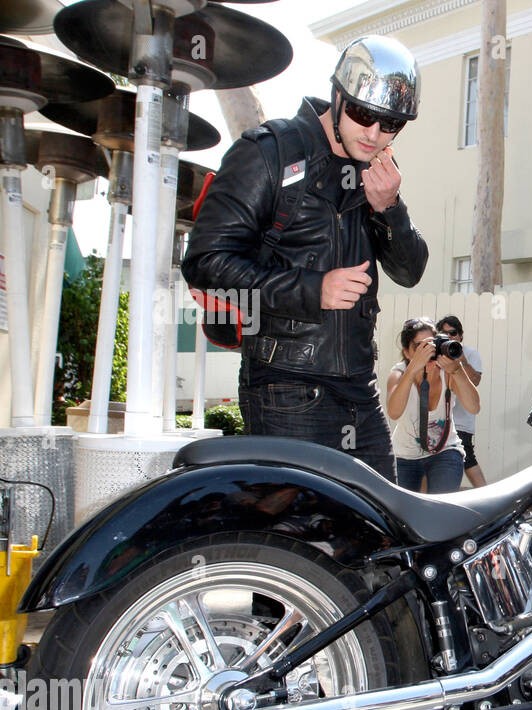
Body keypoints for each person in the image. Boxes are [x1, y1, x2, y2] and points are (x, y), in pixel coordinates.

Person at [182, 36, 429, 481]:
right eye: (363, 114)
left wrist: (390, 208)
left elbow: (410, 271)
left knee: (381, 532)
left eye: (390, 123)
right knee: (298, 537)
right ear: (337, 96)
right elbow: (205, 263)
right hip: (286, 385)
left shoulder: (374, 171)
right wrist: (313, 290)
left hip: (359, 388)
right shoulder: (269, 151)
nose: (374, 134)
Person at [387, 318, 479, 493]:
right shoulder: (398, 373)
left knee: (440, 505)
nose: (427, 352)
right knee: (402, 511)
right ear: (407, 352)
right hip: (405, 455)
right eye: (420, 347)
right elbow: (394, 412)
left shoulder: (447, 371)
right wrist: (413, 368)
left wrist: (457, 370)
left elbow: (474, 407)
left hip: (445, 450)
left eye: (431, 345)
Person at [435, 315, 487, 487]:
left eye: (453, 333)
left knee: (467, 459)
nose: (449, 337)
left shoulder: (470, 353)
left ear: (461, 336)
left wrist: (461, 360)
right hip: (438, 419)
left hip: (461, 421)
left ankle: (486, 496)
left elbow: (476, 381)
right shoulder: (436, 354)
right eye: (444, 333)